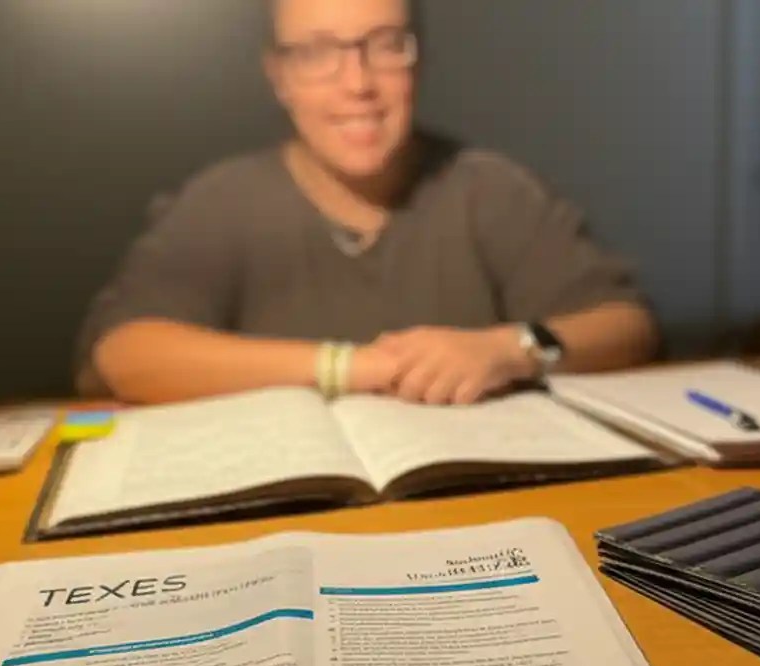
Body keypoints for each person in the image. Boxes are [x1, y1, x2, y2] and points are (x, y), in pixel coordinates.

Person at [76, 0, 658, 406]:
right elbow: (126, 352)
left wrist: (510, 349)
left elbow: (626, 326)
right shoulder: (223, 200)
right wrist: (353, 368)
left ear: (418, 60)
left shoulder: (487, 188)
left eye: (384, 46)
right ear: (279, 76)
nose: (356, 83)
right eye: (317, 52)